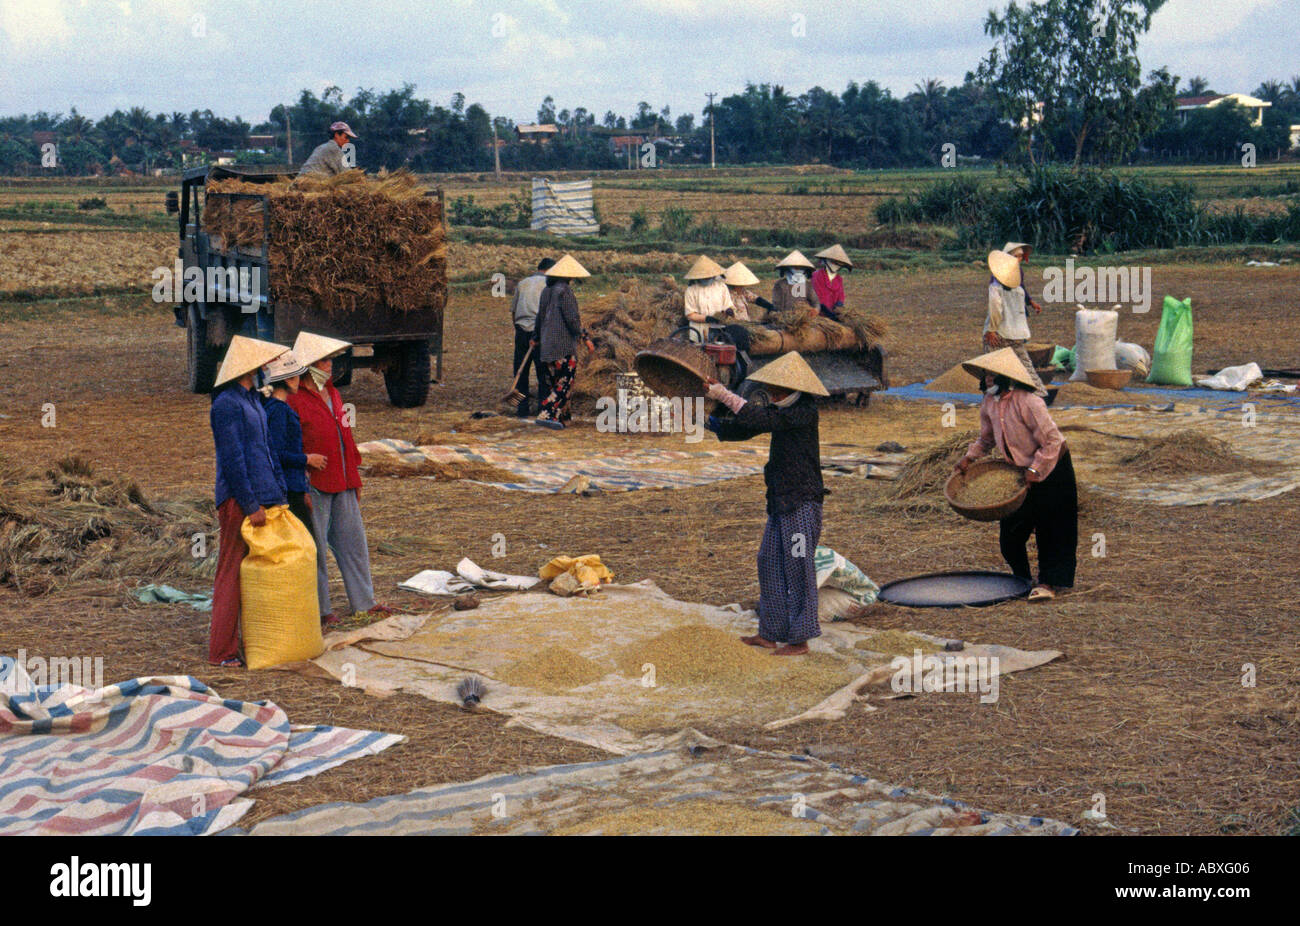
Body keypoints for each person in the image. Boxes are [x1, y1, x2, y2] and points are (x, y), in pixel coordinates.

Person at [704, 352, 830, 655]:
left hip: (801, 502)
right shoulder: (780, 411)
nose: (772, 393)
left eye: (777, 388)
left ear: (794, 388)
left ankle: (799, 640)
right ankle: (770, 632)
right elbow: (744, 427)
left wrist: (722, 393)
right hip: (780, 499)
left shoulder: (803, 411)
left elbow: (758, 418)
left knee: (798, 566)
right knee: (770, 562)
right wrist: (704, 421)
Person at [954, 347, 1077, 602]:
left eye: (993, 374)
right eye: (986, 374)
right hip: (1020, 471)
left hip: (1053, 467)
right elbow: (986, 438)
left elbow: (1052, 441)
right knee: (1011, 534)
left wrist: (1036, 468)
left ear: (1007, 377)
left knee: (1052, 527)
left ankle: (1048, 582)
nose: (988, 379)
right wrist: (969, 457)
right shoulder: (989, 402)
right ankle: (1021, 579)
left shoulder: (1029, 402)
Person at [287, 331, 391, 623]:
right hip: (315, 485)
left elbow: (346, 436)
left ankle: (363, 601)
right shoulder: (294, 400)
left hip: (342, 480)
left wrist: (354, 476)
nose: (330, 365)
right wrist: (300, 484)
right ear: (308, 365)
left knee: (354, 543)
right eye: (324, 360)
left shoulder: (333, 392)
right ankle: (321, 610)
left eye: (330, 359)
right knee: (316, 548)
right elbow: (291, 446)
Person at [208, 335, 292, 667]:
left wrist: (278, 493)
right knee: (231, 570)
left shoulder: (254, 400)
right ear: (247, 367)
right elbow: (233, 459)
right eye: (260, 362)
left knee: (255, 572)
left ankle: (253, 641)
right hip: (239, 501)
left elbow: (267, 451)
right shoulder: (227, 404)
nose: (266, 368)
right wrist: (250, 503)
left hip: (263, 497)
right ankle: (222, 651)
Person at [261, 351, 328, 561]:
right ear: (289, 379)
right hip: (288, 489)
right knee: (307, 549)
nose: (299, 381)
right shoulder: (280, 411)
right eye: (297, 376)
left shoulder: (270, 408)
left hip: (290, 487)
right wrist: (307, 459)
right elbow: (278, 454)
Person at [533, 254, 593, 429]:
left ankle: (562, 418)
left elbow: (539, 317)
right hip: (563, 347)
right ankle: (547, 413)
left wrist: (535, 337)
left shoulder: (546, 291)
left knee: (554, 382)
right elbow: (573, 320)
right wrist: (585, 338)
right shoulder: (565, 291)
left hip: (546, 346)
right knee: (564, 384)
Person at [984, 244, 1046, 395]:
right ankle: (1040, 394)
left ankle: (995, 399)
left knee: (993, 370)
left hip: (999, 334)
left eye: (1019, 256)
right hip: (1017, 334)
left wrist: (991, 330)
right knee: (1026, 367)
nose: (1018, 259)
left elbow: (996, 309)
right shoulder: (1018, 290)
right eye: (1016, 256)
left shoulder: (996, 286)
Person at [510, 257, 555, 417]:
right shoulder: (549, 286)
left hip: (521, 330)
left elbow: (513, 311)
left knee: (520, 371)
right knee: (543, 372)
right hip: (541, 332)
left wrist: (519, 329)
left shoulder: (522, 283)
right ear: (550, 270)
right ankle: (542, 408)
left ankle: (522, 409)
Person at [682, 256, 733, 342]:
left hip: (719, 329)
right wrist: (707, 319)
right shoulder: (691, 290)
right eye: (704, 278)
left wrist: (729, 310)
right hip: (698, 331)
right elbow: (690, 314)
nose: (707, 279)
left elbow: (728, 304)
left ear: (713, 276)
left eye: (709, 277)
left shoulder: (721, 287)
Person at [770, 250, 821, 316]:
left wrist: (815, 310)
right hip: (785, 318)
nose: (798, 270)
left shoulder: (807, 285)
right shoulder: (780, 284)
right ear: (787, 268)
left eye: (801, 268)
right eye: (795, 268)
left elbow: (815, 302)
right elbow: (777, 305)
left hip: (804, 317)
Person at [811, 244, 854, 320]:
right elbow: (817, 297)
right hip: (819, 313)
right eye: (833, 262)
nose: (836, 265)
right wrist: (827, 312)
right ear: (825, 261)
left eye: (838, 263)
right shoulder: (817, 275)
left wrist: (839, 304)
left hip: (834, 313)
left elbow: (841, 296)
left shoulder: (839, 279)